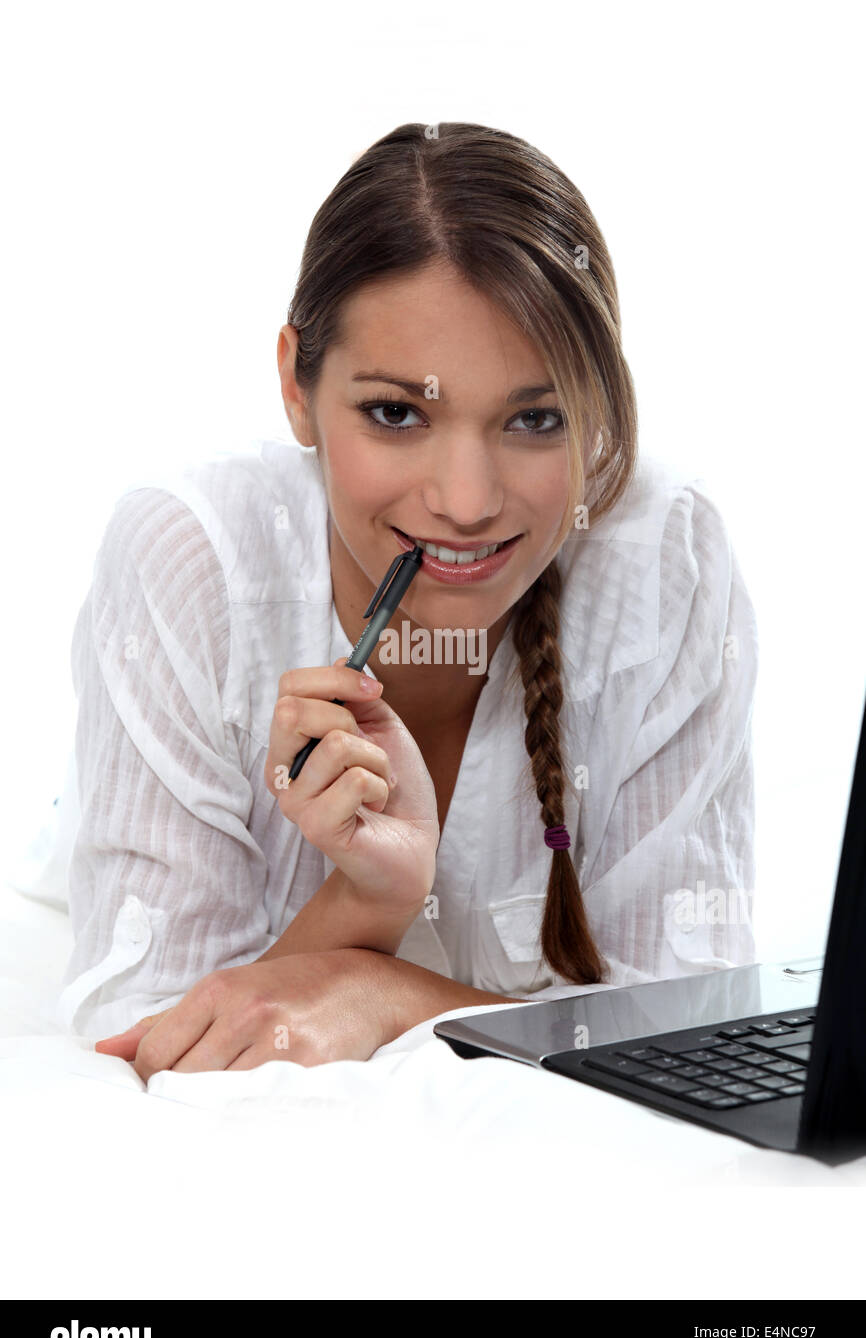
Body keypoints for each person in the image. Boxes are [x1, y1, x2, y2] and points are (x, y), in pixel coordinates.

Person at [57, 121, 758, 1079]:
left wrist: (389, 992)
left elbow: (692, 1039)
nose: (465, 503)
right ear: (296, 387)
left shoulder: (665, 552)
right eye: (396, 413)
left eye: (535, 418)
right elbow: (146, 1054)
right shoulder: (190, 560)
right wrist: (370, 909)